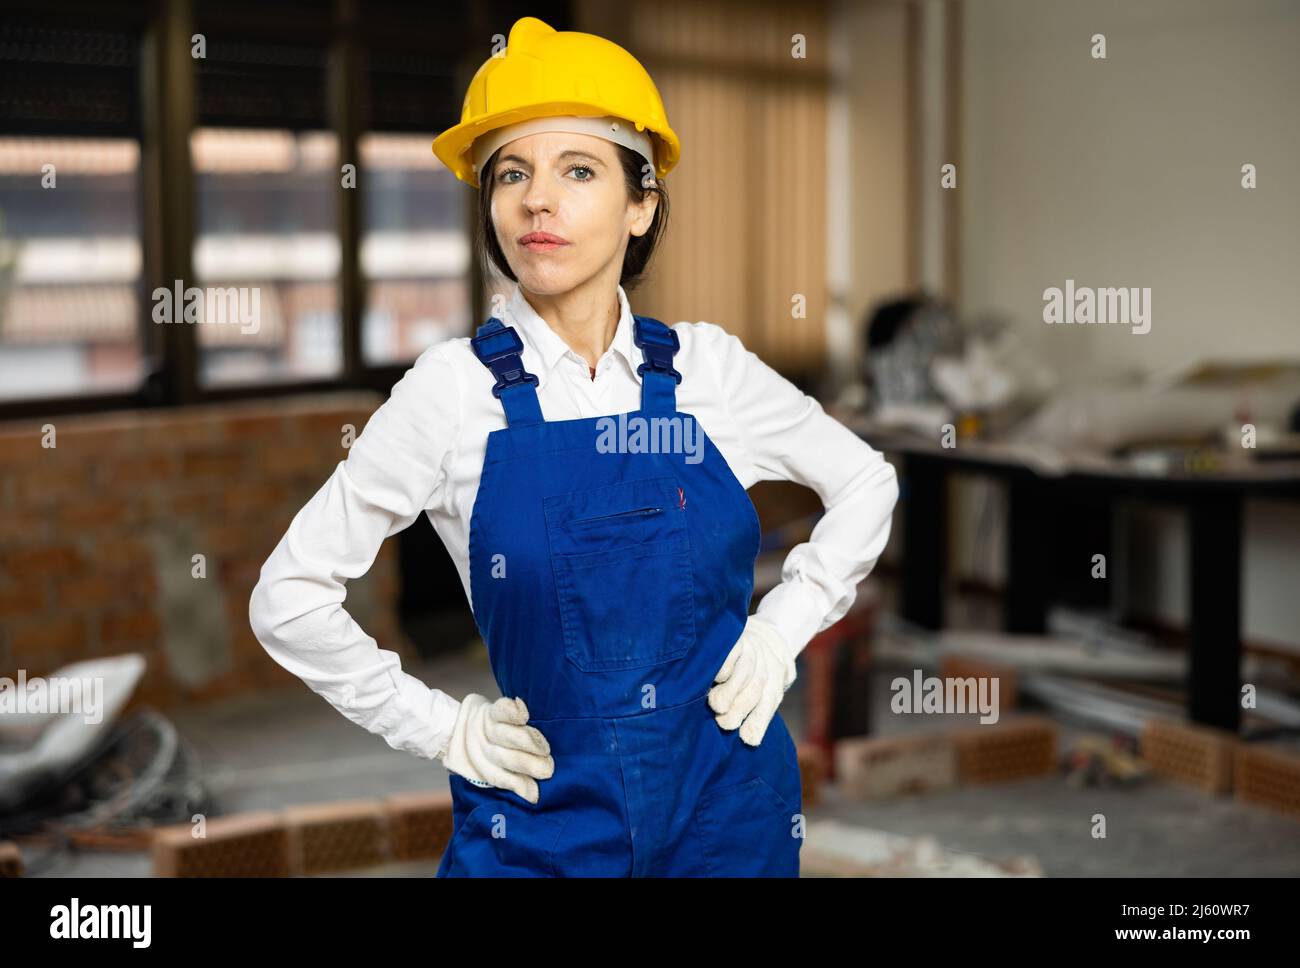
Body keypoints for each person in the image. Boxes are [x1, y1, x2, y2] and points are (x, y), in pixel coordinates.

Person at [248, 15, 899, 877]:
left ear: (642, 205)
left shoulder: (708, 369)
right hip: (541, 819)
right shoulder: (451, 392)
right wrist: (446, 728)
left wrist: (782, 630)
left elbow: (866, 481)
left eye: (578, 169)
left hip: (730, 810)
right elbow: (286, 597)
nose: (536, 200)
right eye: (510, 173)